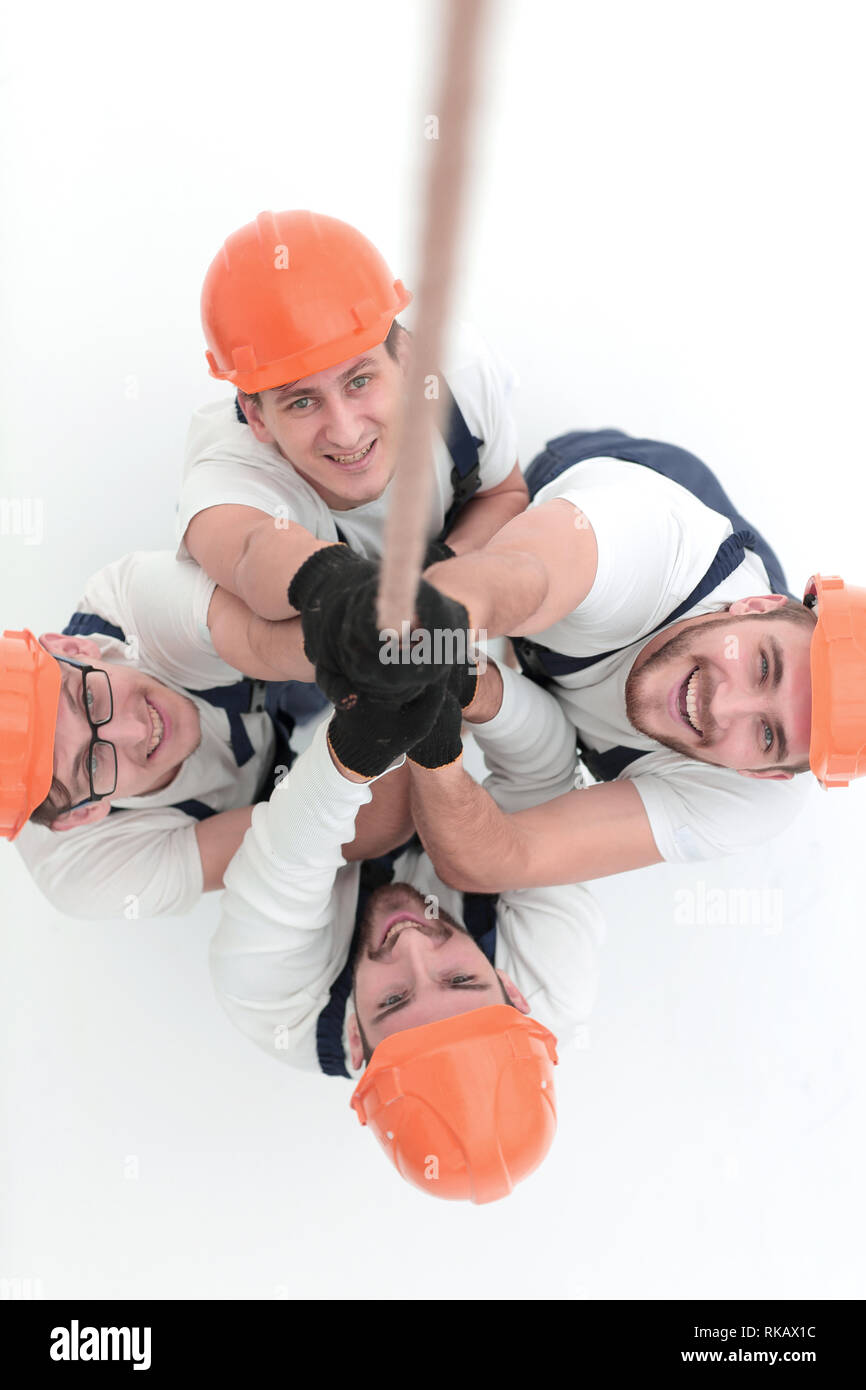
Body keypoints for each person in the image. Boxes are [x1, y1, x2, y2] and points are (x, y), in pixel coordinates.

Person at [294, 430, 866, 887]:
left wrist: (435, 745)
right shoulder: (659, 539)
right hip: (590, 497)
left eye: (767, 735)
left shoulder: (751, 806)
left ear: (762, 774)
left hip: (554, 670)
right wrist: (437, 619)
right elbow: (529, 577)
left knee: (389, 810)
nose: (725, 704)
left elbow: (499, 861)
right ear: (757, 603)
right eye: (763, 666)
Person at [209, 644, 604, 1204]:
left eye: (393, 1000)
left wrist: (401, 712)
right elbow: (545, 769)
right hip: (423, 763)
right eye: (461, 980)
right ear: (515, 994)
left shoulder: (269, 1000)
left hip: (283, 764)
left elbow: (290, 847)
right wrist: (466, 681)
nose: (411, 941)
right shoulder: (554, 974)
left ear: (353, 1040)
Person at [178, 209, 528, 642]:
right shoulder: (227, 470)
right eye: (302, 402)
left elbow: (505, 493)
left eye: (359, 381)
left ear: (405, 356)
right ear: (256, 416)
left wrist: (440, 576)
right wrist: (348, 596)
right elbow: (250, 554)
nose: (345, 432)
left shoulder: (459, 373)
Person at [3, 551, 410, 918]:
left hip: (255, 675)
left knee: (326, 633)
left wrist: (394, 654)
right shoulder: (81, 871)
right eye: (92, 763)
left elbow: (330, 636)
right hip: (259, 802)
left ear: (74, 648)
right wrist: (422, 719)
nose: (135, 729)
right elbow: (357, 831)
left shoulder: (126, 605)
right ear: (83, 813)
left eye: (89, 699)